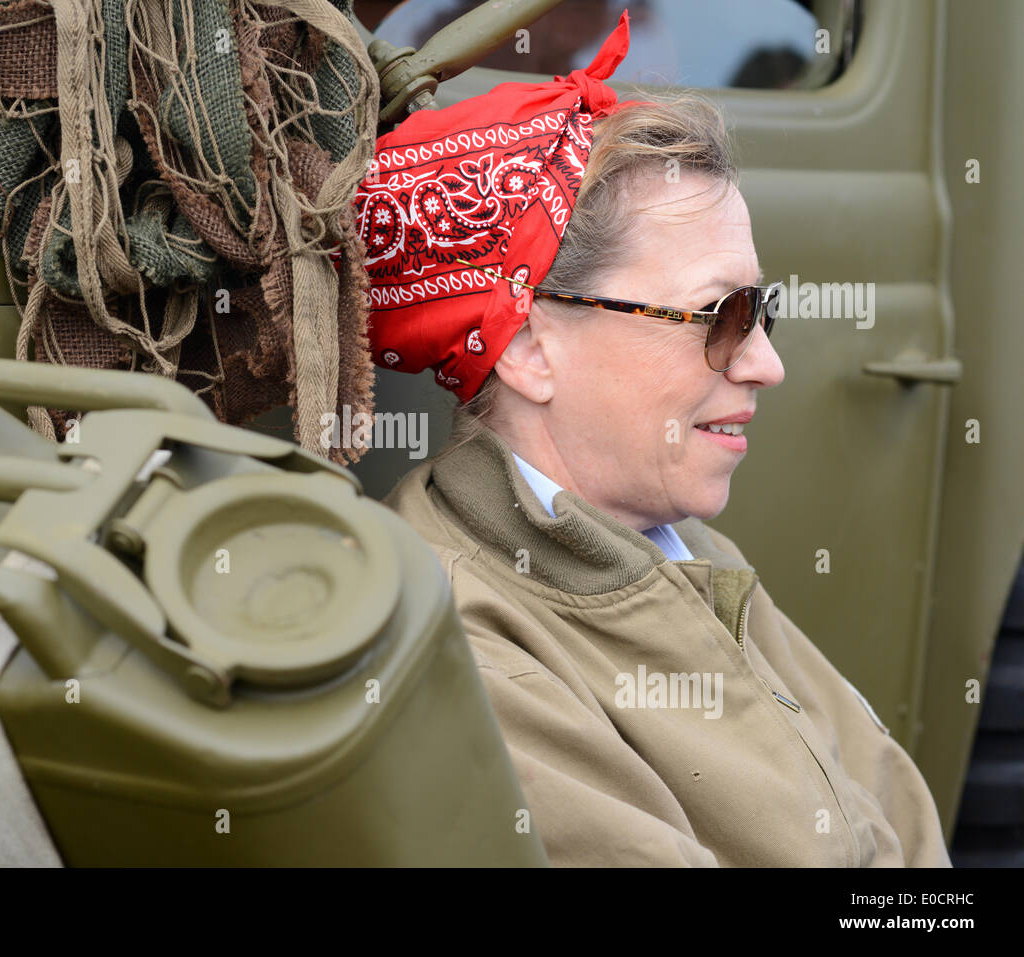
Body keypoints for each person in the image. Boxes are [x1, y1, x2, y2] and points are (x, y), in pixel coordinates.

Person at [354, 10, 951, 866]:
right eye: (722, 316)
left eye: (761, 311)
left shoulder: (681, 552)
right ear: (528, 346)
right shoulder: (464, 651)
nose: (765, 364)